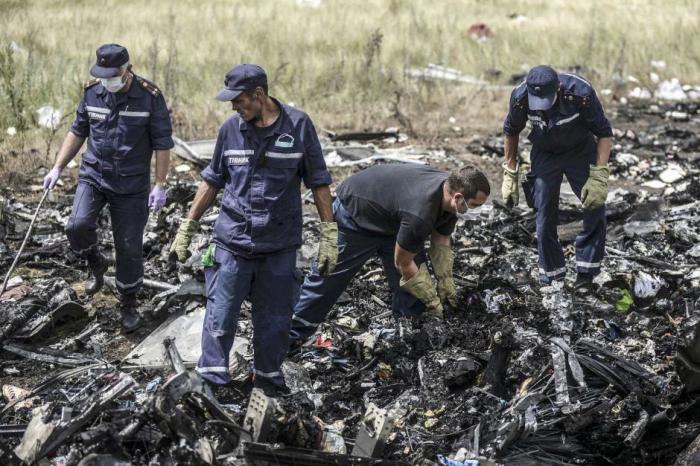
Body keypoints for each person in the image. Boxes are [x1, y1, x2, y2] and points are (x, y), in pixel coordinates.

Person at [169, 64, 336, 395]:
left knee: (275, 323)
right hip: (233, 241)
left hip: (279, 244)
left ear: (259, 95)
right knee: (220, 316)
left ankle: (268, 384)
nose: (233, 107)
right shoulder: (230, 130)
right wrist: (188, 226)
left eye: (239, 100)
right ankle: (211, 385)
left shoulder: (299, 127)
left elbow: (318, 182)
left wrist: (329, 235)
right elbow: (212, 181)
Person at [42, 43, 173, 331]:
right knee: (77, 225)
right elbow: (78, 130)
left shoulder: (150, 97)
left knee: (128, 247)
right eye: (103, 75)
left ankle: (128, 303)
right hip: (94, 176)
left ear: (128, 69)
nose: (108, 81)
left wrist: (160, 184)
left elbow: (163, 144)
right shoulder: (92, 92)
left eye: (113, 76)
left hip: (131, 184)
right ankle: (95, 262)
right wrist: (57, 167)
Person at [289, 163, 490, 343]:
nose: (477, 210)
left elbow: (441, 239)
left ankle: (408, 333)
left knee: (413, 294)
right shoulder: (421, 213)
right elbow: (402, 263)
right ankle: (292, 334)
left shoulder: (450, 193)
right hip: (357, 213)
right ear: (458, 198)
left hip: (395, 218)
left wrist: (445, 280)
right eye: (475, 205)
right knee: (328, 277)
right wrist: (431, 298)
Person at [501, 65, 613, 290]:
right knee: (543, 213)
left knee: (594, 207)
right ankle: (552, 276)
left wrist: (599, 174)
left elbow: (604, 133)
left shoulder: (580, 93)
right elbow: (511, 131)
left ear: (558, 88)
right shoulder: (521, 97)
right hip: (545, 154)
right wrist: (510, 172)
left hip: (580, 151)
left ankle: (586, 273)